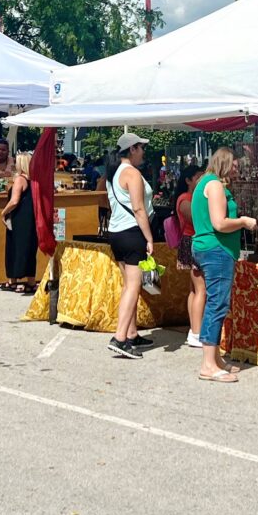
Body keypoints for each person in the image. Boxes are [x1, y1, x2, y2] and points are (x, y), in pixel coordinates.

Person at [190, 148, 256, 383]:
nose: (238, 171)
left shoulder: (203, 183)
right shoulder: (215, 185)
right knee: (217, 304)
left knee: (213, 301)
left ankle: (215, 358)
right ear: (226, 164)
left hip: (206, 248)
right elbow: (219, 223)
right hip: (216, 250)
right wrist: (243, 221)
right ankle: (208, 364)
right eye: (236, 166)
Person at [106, 133, 158, 359]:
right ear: (133, 149)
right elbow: (139, 209)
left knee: (129, 284)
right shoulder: (132, 173)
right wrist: (149, 237)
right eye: (141, 148)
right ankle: (119, 337)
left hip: (117, 232)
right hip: (132, 232)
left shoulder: (114, 172)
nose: (143, 152)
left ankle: (131, 332)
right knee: (133, 287)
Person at [174, 164, 205, 349]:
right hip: (191, 240)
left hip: (194, 240)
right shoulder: (185, 199)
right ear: (188, 180)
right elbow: (195, 218)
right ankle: (196, 331)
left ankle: (194, 329)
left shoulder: (194, 197)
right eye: (198, 177)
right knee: (200, 289)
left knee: (196, 289)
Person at [0, 151, 38, 294]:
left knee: (14, 248)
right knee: (29, 248)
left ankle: (13, 281)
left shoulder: (20, 179)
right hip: (31, 218)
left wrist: (3, 212)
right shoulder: (34, 180)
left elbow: (14, 201)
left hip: (19, 217)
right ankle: (31, 282)